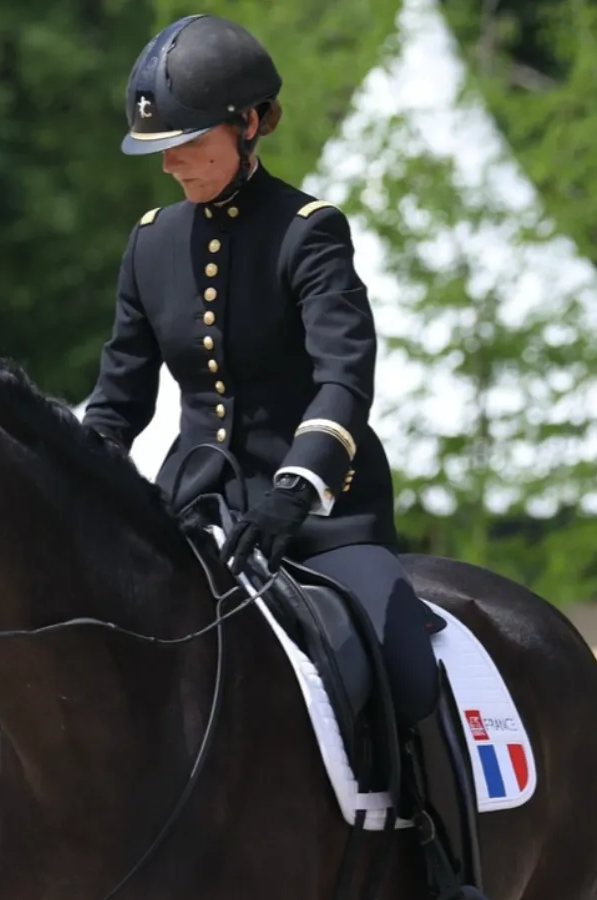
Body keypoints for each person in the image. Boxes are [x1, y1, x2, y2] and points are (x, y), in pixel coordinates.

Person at [79, 14, 485, 899]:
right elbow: (116, 402)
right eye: (160, 147)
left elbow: (345, 380)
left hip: (320, 516)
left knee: (404, 664)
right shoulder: (150, 244)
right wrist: (75, 483)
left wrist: (296, 487)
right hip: (196, 514)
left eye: (187, 141)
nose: (169, 162)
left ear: (252, 121)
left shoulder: (309, 231)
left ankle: (437, 859)